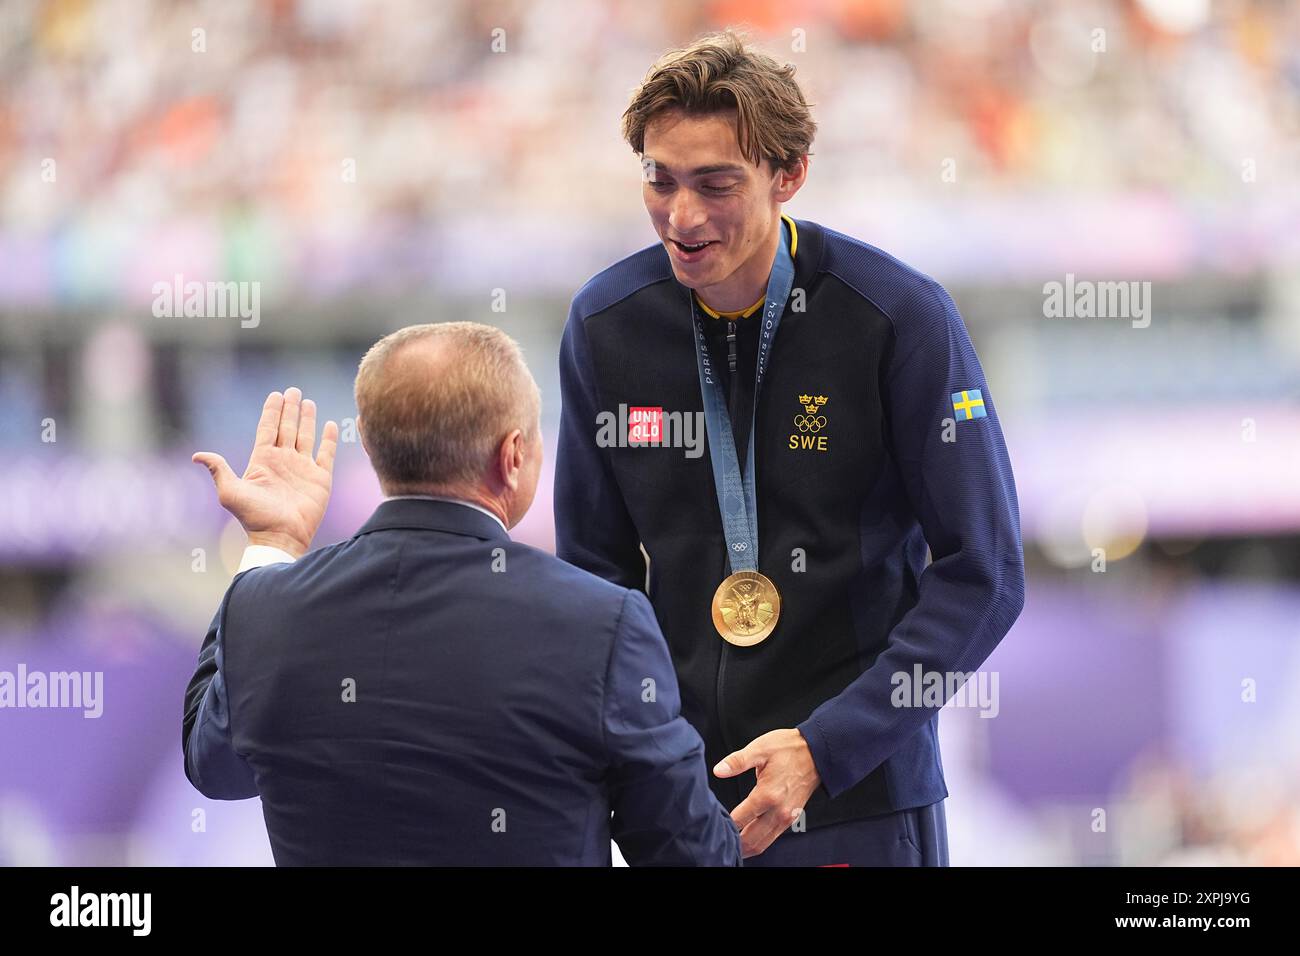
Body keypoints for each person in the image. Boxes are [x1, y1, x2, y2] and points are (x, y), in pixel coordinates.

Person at [553, 30, 1025, 865]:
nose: (683, 216)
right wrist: (647, 758)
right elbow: (596, 576)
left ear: (789, 173)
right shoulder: (605, 324)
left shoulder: (897, 317)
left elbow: (984, 571)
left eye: (716, 184)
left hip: (858, 796)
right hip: (683, 805)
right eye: (660, 181)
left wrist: (830, 744)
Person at [182, 322, 741, 866]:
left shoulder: (264, 608)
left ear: (373, 451)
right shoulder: (602, 622)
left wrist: (271, 543)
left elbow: (214, 767)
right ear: (513, 455)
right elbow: (687, 852)